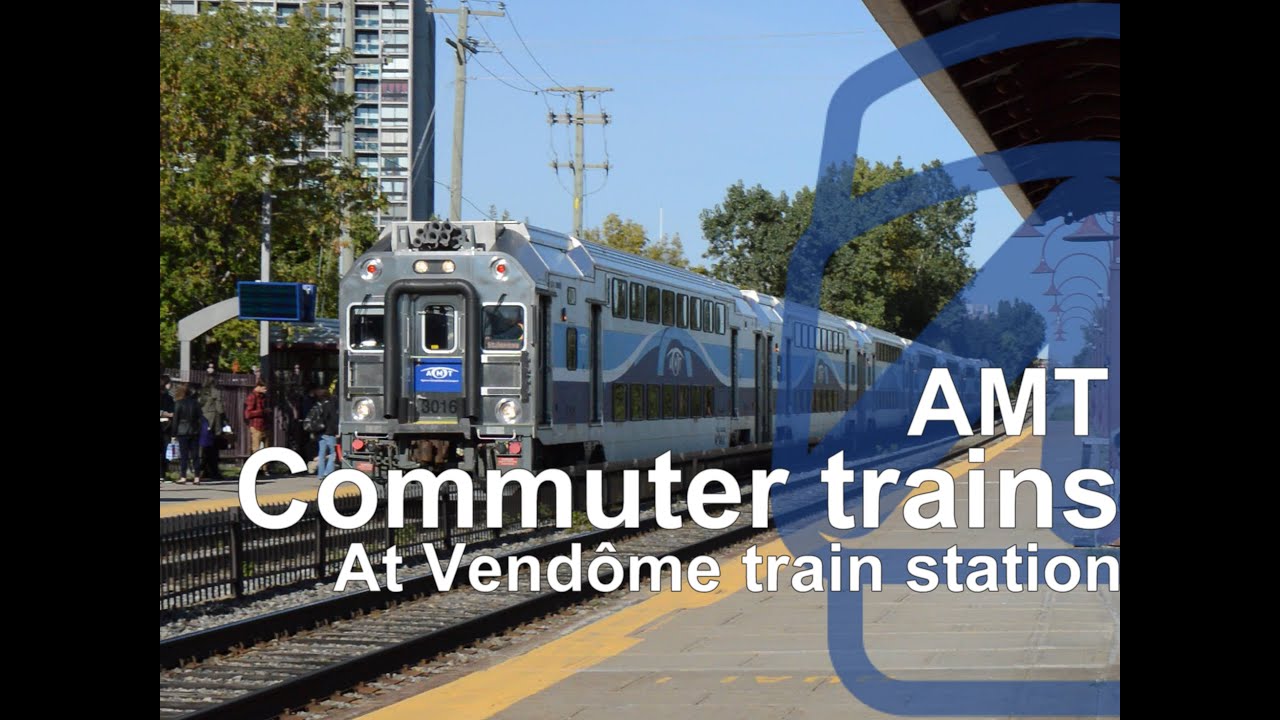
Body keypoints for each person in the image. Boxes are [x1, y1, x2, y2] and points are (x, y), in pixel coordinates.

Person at [198, 364, 227, 481]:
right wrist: (224, 419)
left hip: (203, 421)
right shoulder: (215, 391)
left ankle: (203, 470)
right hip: (213, 421)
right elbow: (220, 408)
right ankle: (213, 471)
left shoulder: (201, 392)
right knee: (213, 448)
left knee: (203, 447)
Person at [172, 383, 203, 484]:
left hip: (182, 431)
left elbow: (175, 419)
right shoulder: (196, 403)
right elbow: (200, 418)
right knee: (195, 455)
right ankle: (197, 477)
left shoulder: (178, 403)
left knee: (184, 455)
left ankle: (183, 477)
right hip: (194, 431)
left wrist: (173, 434)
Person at [316, 386, 339, 479]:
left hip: (321, 432)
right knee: (333, 453)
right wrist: (336, 431)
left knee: (321, 454)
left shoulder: (318, 405)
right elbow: (334, 419)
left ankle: (320, 474)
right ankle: (328, 472)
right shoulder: (330, 405)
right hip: (330, 433)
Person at [244, 380, 271, 453]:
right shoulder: (252, 397)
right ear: (258, 387)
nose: (266, 390)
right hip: (256, 426)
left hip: (265, 425)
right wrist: (262, 412)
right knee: (256, 449)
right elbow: (248, 414)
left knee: (266, 449)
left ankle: (265, 464)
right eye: (264, 388)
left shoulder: (263, 397)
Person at [160, 375, 175, 482]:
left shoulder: (169, 397)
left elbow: (173, 411)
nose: (171, 385)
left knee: (165, 450)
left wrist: (171, 414)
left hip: (167, 426)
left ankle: (162, 474)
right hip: (162, 424)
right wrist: (165, 413)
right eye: (169, 383)